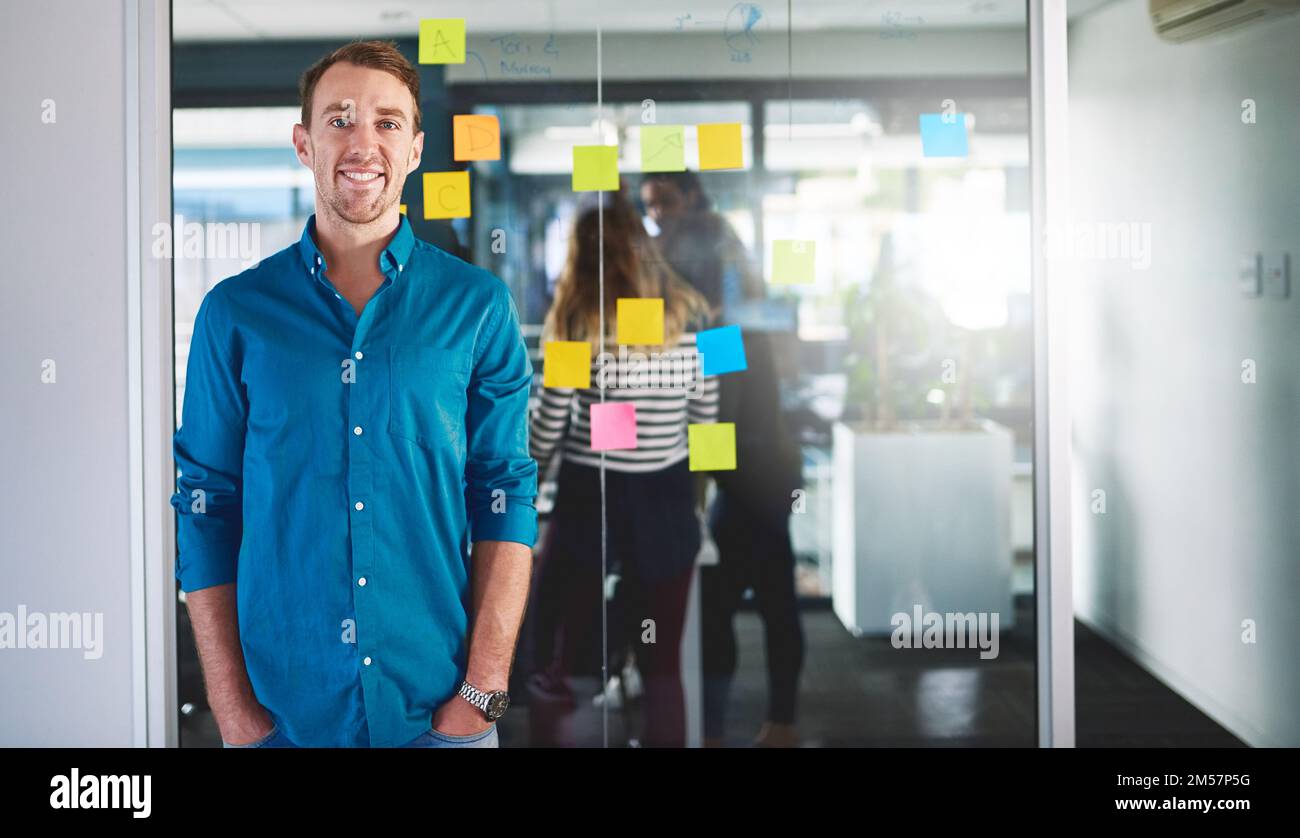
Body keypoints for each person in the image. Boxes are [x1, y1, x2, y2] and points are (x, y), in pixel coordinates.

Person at [170, 40, 537, 749]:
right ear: (304, 144)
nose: (362, 142)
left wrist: (483, 691)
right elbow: (204, 503)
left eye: (387, 122)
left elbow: (505, 493)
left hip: (440, 715)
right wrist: (232, 708)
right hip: (282, 719)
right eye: (339, 120)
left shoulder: (478, 308)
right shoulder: (235, 313)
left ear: (417, 148)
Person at [529, 191, 717, 747]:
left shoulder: (574, 321)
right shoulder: (694, 315)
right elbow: (708, 423)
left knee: (554, 659)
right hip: (667, 503)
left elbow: (549, 425)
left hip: (591, 503)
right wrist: (698, 504)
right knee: (662, 671)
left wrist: (530, 482)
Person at [640, 172, 806, 748]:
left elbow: (716, 425)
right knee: (768, 596)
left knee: (723, 607)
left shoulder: (721, 332)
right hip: (765, 473)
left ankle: (727, 730)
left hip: (753, 481)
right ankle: (770, 722)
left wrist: (689, 492)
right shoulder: (734, 323)